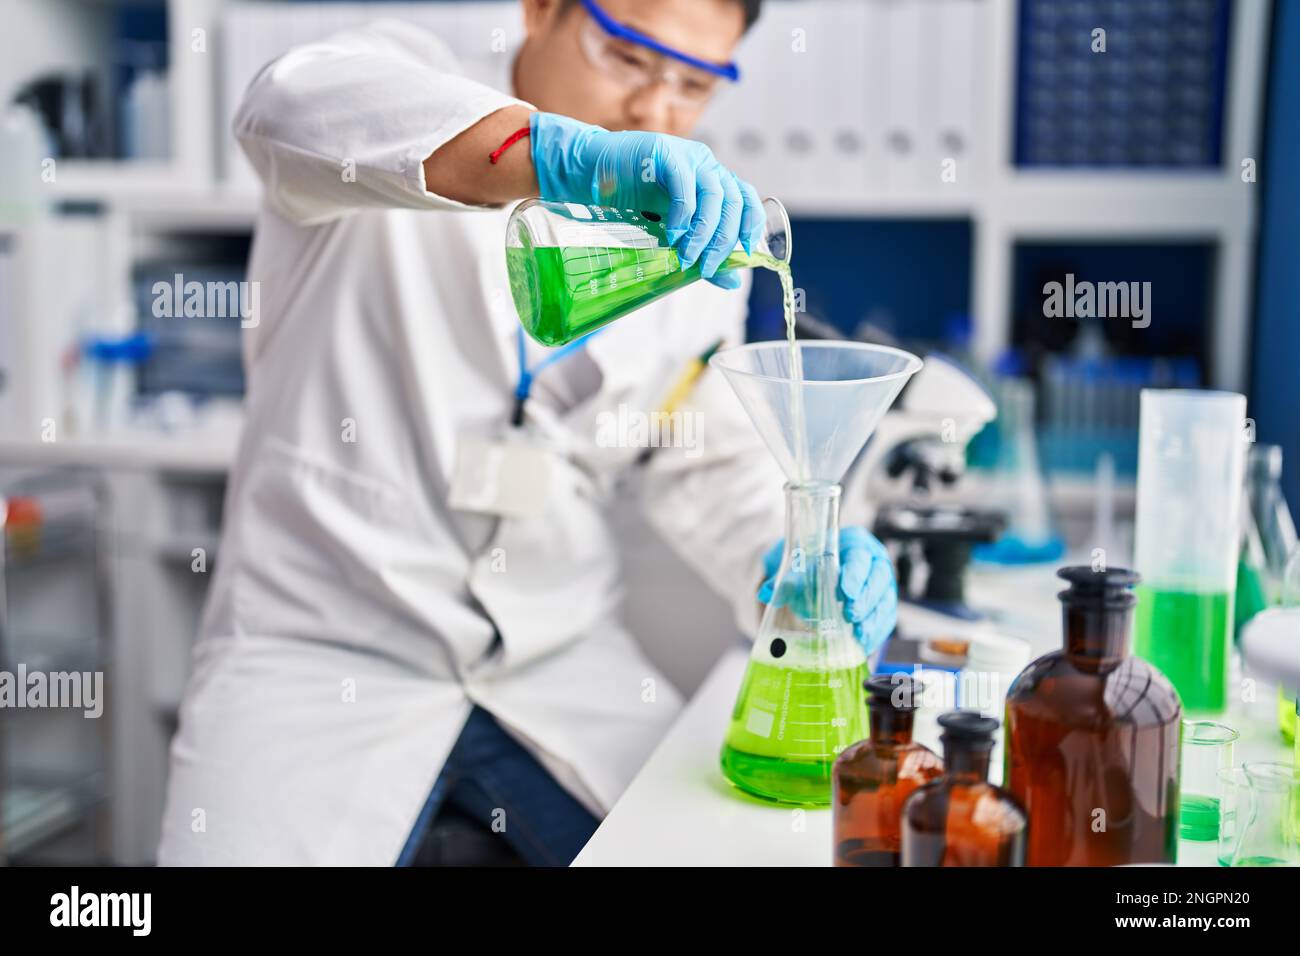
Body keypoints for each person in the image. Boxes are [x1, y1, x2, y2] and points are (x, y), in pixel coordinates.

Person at [158, 0, 898, 866]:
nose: (654, 109)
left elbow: (701, 461)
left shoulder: (695, 246)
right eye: (628, 57)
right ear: (543, 9)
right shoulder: (404, 92)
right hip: (317, 655)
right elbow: (286, 106)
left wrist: (794, 559)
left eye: (695, 84)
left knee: (717, 850)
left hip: (558, 662)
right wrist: (555, 158)